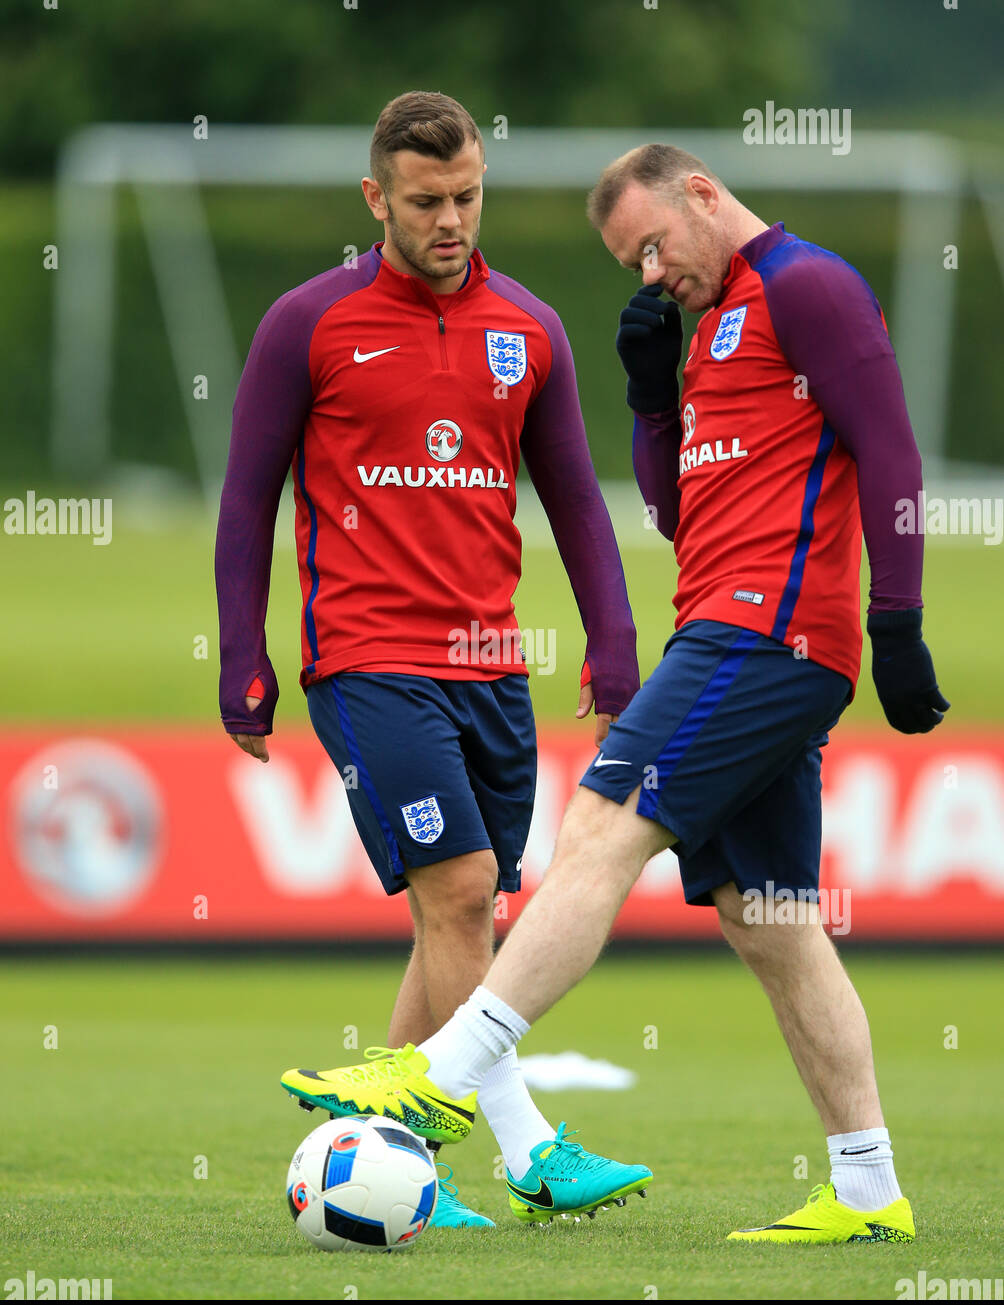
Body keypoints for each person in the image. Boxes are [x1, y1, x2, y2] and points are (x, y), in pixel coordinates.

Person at [288, 143, 951, 1244]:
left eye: (652, 245)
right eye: (628, 261)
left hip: (762, 632)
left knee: (599, 819)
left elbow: (889, 456)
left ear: (700, 193)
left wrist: (898, 618)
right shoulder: (717, 322)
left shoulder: (809, 286)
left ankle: (445, 1071)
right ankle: (869, 1189)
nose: (648, 273)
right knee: (772, 920)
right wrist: (654, 403)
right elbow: (678, 513)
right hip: (729, 619)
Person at [216, 92, 652, 1228]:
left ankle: (375, 1162)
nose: (449, 220)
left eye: (465, 197)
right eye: (424, 202)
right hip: (365, 658)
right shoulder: (306, 323)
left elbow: (576, 505)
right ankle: (530, 1153)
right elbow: (245, 498)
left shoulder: (531, 329)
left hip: (492, 667)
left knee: (460, 921)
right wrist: (242, 656)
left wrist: (612, 650)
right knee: (459, 894)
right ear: (376, 200)